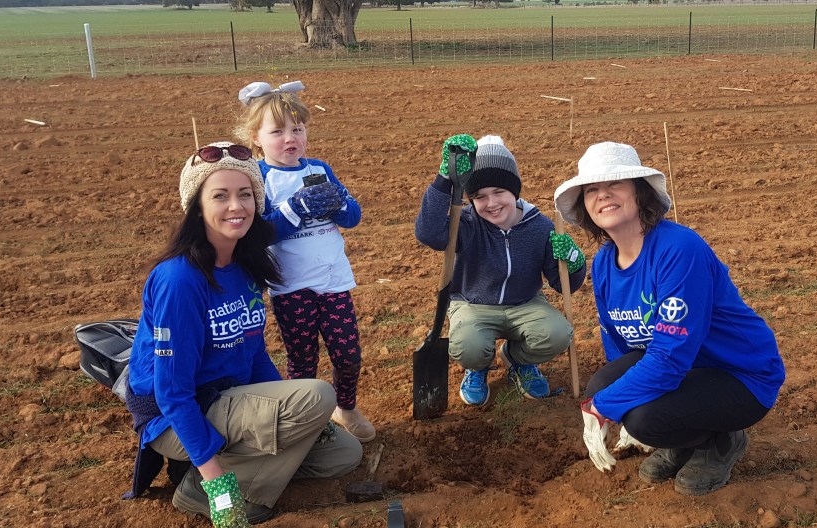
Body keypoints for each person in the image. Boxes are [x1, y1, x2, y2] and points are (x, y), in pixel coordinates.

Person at [123, 142, 363, 528]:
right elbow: (171, 392)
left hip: (230, 402)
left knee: (343, 453)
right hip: (179, 415)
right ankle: (205, 486)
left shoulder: (247, 266)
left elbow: (253, 354)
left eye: (246, 194)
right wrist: (219, 482)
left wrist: (298, 415)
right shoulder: (180, 281)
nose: (237, 206)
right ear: (196, 207)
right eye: (220, 196)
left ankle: (216, 466)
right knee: (318, 396)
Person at [553, 142, 785, 496]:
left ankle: (719, 442)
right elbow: (620, 344)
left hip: (739, 374)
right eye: (592, 190)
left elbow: (670, 358)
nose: (604, 195)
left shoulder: (679, 249)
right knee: (604, 385)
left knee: (644, 417)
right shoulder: (603, 263)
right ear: (585, 205)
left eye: (615, 184)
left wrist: (607, 408)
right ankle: (683, 436)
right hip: (686, 366)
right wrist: (613, 395)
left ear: (639, 192)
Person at [234, 81, 376, 443]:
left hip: (333, 281)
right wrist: (295, 209)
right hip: (292, 286)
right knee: (303, 360)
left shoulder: (320, 169)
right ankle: (307, 422)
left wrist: (338, 205)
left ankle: (346, 407)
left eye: (297, 128)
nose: (289, 138)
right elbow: (262, 234)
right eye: (277, 131)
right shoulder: (259, 178)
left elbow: (353, 216)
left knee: (348, 355)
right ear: (256, 137)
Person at [415, 134, 587, 406]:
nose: (492, 203)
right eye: (480, 196)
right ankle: (478, 367)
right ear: (471, 199)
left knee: (557, 334)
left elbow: (564, 284)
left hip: (525, 303)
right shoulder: (466, 222)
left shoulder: (540, 226)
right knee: (468, 347)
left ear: (514, 191)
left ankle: (517, 360)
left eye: (499, 192)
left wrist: (574, 261)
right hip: (473, 304)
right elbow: (428, 233)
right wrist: (445, 179)